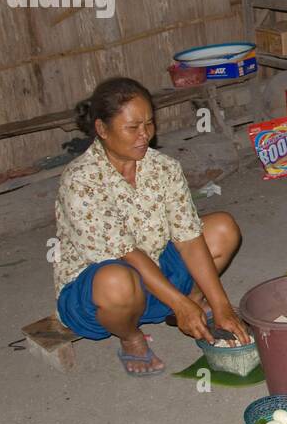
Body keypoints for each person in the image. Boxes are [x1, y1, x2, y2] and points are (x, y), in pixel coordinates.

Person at [53, 77, 247, 375]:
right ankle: (131, 335)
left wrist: (220, 305)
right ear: (102, 129)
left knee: (222, 228)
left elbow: (188, 238)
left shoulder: (163, 168)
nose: (144, 135)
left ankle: (192, 303)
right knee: (117, 280)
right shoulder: (81, 181)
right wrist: (178, 302)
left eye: (149, 124)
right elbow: (127, 254)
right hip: (98, 293)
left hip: (155, 271)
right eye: (132, 128)